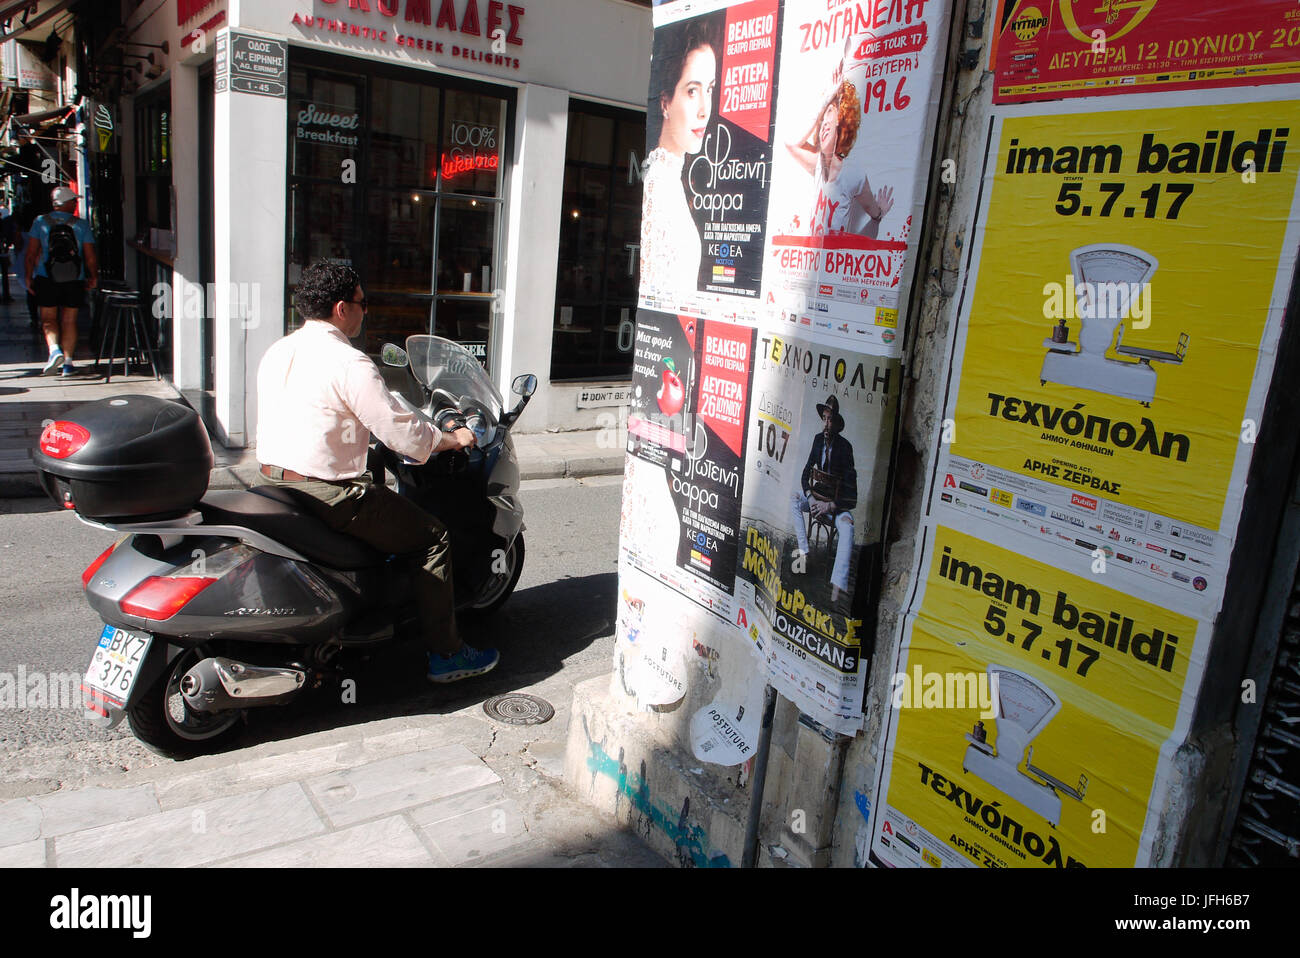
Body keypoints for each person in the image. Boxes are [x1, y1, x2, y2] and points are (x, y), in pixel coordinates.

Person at [256, 262, 499, 683]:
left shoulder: (279, 350)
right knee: (433, 538)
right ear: (340, 308)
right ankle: (448, 654)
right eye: (361, 303)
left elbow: (383, 404)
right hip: (331, 494)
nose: (365, 312)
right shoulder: (348, 362)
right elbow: (401, 434)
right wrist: (449, 439)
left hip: (274, 481)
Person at [640, 17, 719, 301]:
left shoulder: (669, 179)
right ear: (664, 102)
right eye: (691, 91)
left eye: (708, 89)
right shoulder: (659, 184)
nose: (704, 109)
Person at [787, 80, 894, 237]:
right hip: (814, 258)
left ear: (841, 121)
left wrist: (879, 214)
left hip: (834, 259)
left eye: (829, 112)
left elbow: (872, 210)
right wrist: (824, 103)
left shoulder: (854, 173)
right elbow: (790, 142)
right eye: (822, 119)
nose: (824, 123)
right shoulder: (818, 165)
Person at [789, 395, 858, 605]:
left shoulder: (845, 448)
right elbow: (805, 475)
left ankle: (837, 588)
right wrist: (810, 499)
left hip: (834, 506)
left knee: (848, 528)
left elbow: (852, 496)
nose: (826, 424)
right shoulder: (818, 440)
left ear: (836, 424)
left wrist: (830, 505)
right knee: (794, 500)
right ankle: (805, 552)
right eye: (824, 418)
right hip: (816, 500)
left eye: (830, 420)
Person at [25, 186, 97, 377]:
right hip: (74, 278)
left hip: (46, 277)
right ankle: (67, 363)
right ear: (65, 203)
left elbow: (31, 253)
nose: (75, 203)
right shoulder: (81, 225)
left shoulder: (40, 222)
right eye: (73, 200)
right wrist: (93, 276)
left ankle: (54, 350)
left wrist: (28, 276)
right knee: (69, 320)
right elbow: (89, 255)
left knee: (48, 319)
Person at [0, 206, 15, 302]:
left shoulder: (3, 223)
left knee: (5, 274)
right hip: (2, 251)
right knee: (4, 273)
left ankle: (6, 295)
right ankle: (6, 295)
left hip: (2, 250)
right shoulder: (3, 223)